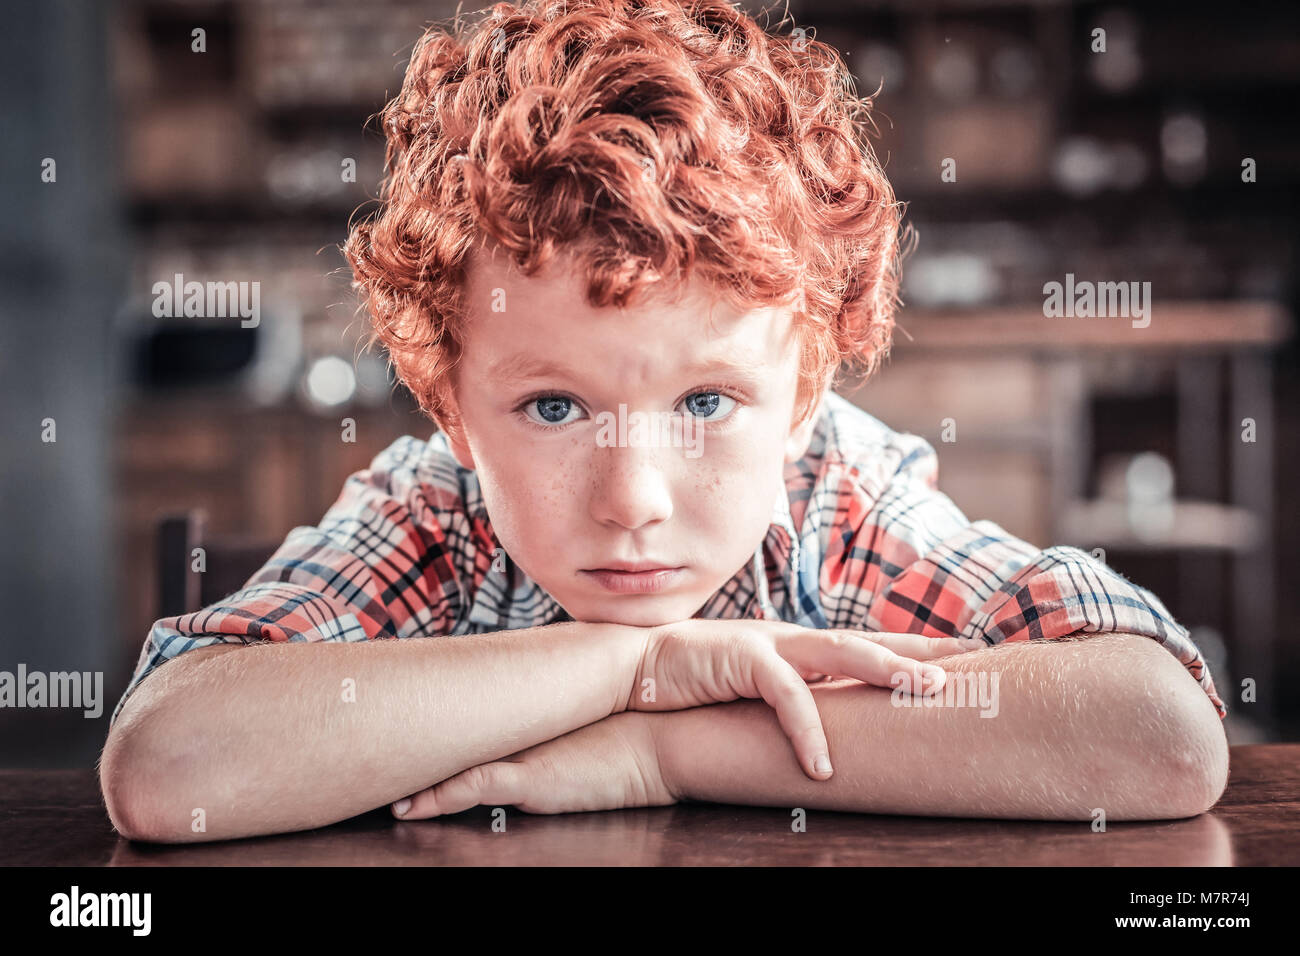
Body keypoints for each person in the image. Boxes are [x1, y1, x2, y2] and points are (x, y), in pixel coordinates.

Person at [100, 0, 1227, 843]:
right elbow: (166, 766)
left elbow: (1158, 733)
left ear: (801, 399)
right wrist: (631, 668)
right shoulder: (428, 514)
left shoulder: (837, 501)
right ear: (449, 403)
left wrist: (663, 744)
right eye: (552, 405)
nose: (633, 495)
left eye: (703, 401)